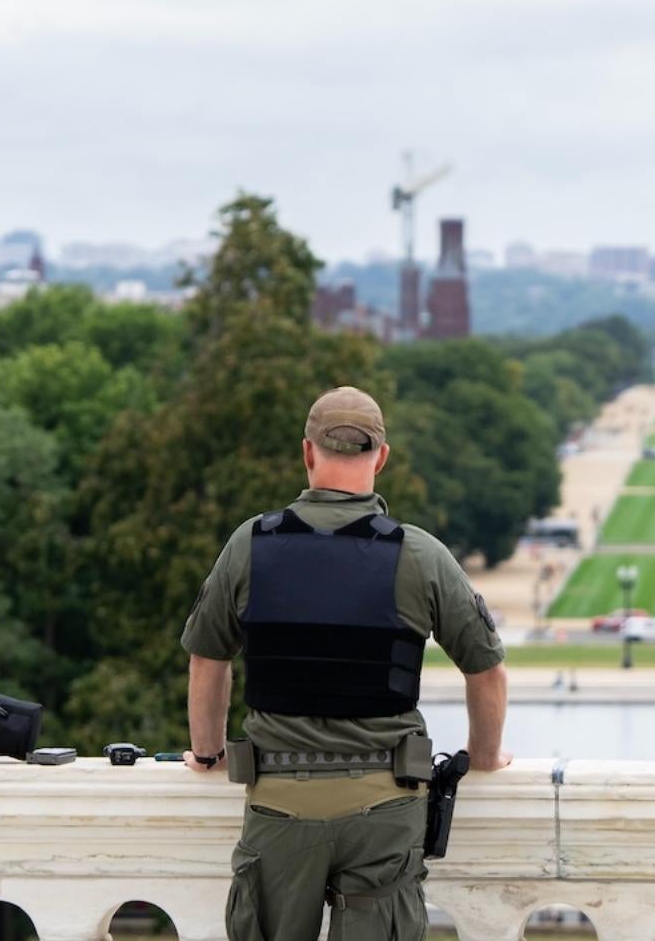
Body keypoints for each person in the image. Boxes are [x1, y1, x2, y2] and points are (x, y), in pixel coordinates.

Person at [180, 386, 512, 941]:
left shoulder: (251, 545)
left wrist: (209, 751)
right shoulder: (420, 554)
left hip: (279, 803)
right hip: (387, 802)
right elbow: (486, 669)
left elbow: (209, 658)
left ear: (308, 452)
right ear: (380, 457)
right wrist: (483, 759)